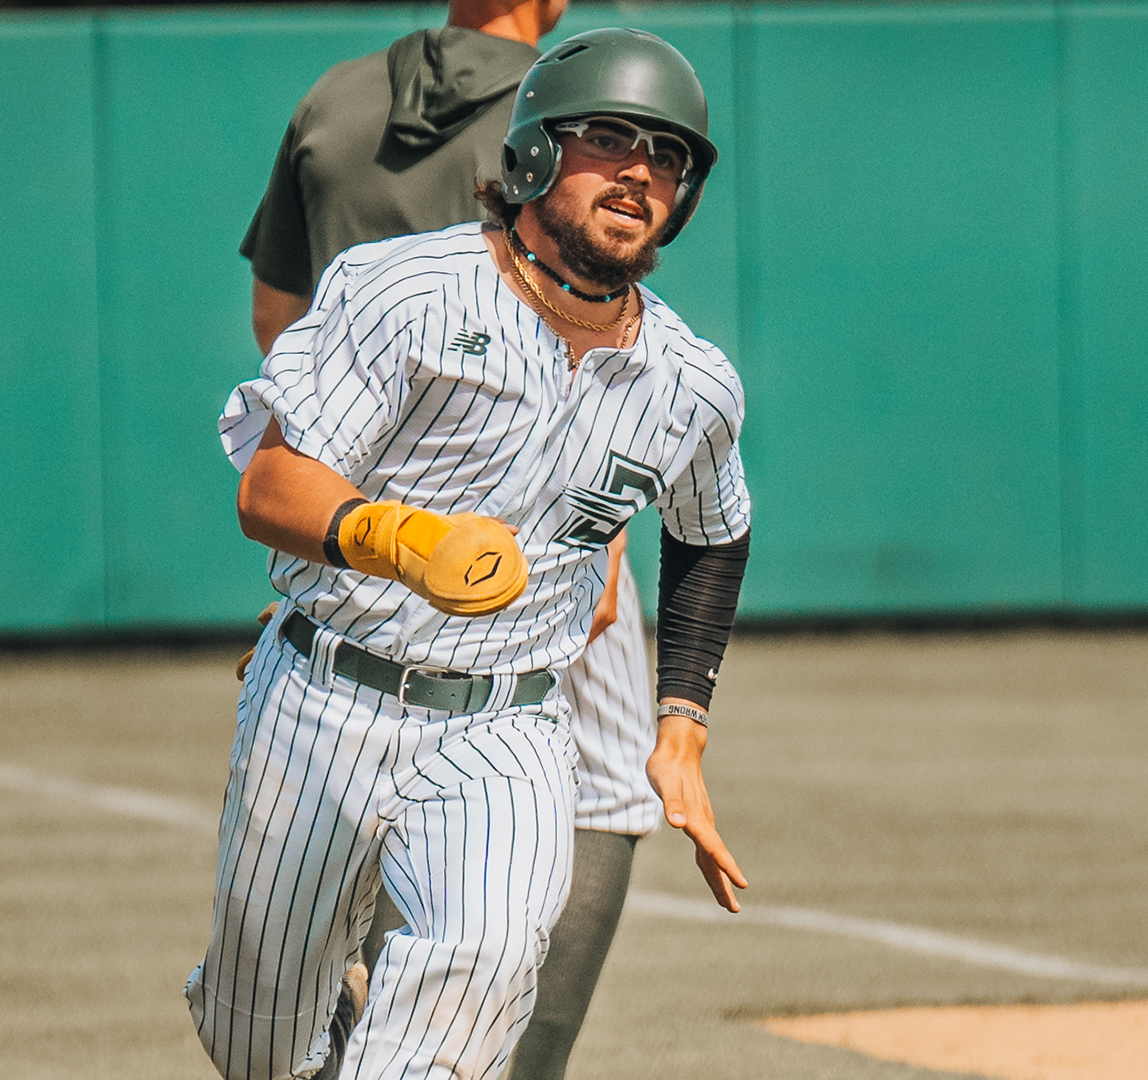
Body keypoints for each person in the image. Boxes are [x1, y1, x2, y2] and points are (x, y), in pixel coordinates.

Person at [186, 27, 751, 1080]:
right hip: (323, 697)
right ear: (534, 151)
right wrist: (402, 538)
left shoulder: (692, 381)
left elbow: (712, 533)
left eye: (668, 156)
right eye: (610, 138)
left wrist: (682, 727)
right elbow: (268, 486)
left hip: (511, 725)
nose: (640, 170)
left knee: (477, 977)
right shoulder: (400, 289)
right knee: (256, 1039)